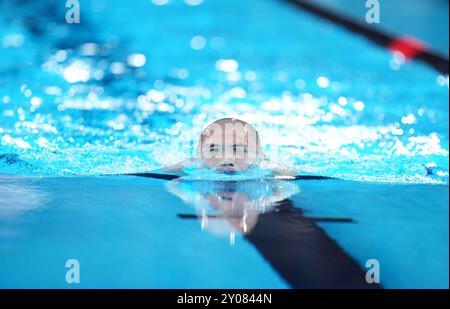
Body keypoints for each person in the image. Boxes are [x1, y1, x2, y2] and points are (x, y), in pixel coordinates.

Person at [161, 118, 298, 178]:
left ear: (259, 155)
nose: (227, 159)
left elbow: (290, 174)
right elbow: (167, 175)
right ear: (199, 155)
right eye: (214, 150)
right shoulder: (194, 163)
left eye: (238, 149)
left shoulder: (265, 165)